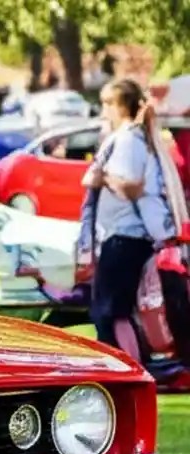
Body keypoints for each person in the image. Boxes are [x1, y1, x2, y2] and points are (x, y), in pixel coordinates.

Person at [81, 78, 188, 358]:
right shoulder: (132, 138)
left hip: (125, 236)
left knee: (109, 313)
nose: (104, 112)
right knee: (114, 311)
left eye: (107, 104)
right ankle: (129, 368)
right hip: (124, 236)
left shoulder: (128, 140)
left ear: (120, 106)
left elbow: (131, 186)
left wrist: (100, 177)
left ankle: (126, 370)